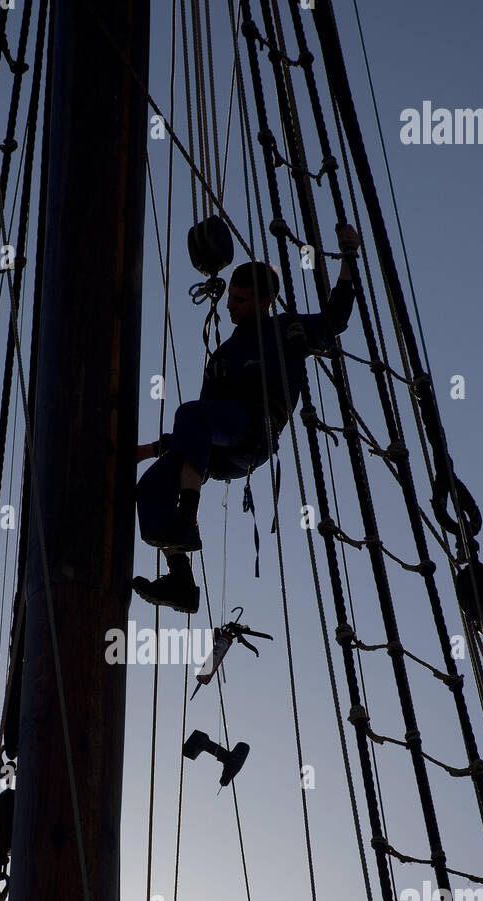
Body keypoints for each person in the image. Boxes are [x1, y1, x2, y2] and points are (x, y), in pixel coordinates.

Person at [132, 224, 361, 613]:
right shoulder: (221, 357)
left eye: (238, 300)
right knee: (151, 489)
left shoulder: (288, 331)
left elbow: (336, 317)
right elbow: (196, 431)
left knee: (193, 413)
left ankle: (187, 516)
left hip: (254, 432)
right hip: (219, 448)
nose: (229, 306)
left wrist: (348, 254)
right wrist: (147, 452)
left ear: (263, 301)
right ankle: (182, 583)